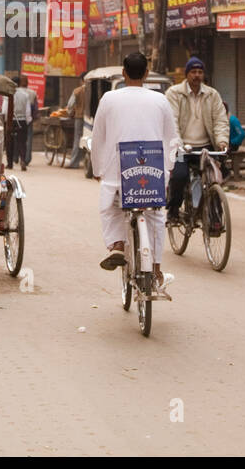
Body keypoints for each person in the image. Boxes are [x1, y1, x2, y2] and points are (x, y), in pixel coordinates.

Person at [91, 51, 178, 296]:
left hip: (118, 173)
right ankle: (157, 268)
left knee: (111, 207)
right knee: (156, 217)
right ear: (147, 74)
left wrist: (98, 169)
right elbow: (171, 138)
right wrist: (168, 170)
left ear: (124, 72)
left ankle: (117, 244)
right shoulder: (160, 100)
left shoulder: (109, 98)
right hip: (152, 171)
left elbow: (98, 138)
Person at [164, 57, 229, 223]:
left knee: (214, 178)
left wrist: (222, 141)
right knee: (178, 176)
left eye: (200, 72)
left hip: (205, 147)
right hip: (181, 148)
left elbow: (220, 120)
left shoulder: (212, 94)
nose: (197, 75)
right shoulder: (174, 93)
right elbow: (172, 122)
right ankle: (173, 210)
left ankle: (215, 219)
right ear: (187, 74)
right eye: (193, 72)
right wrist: (178, 144)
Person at [9, 75, 38, 170]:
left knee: (12, 141)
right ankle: (25, 160)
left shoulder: (10, 94)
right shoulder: (30, 93)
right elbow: (31, 109)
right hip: (24, 120)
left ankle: (13, 160)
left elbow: (6, 109)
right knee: (24, 141)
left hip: (12, 120)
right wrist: (29, 119)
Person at [64, 79, 87, 168]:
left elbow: (70, 104)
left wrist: (70, 113)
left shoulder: (77, 91)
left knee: (78, 139)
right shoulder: (92, 89)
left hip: (79, 117)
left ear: (82, 80)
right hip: (91, 118)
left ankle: (74, 162)